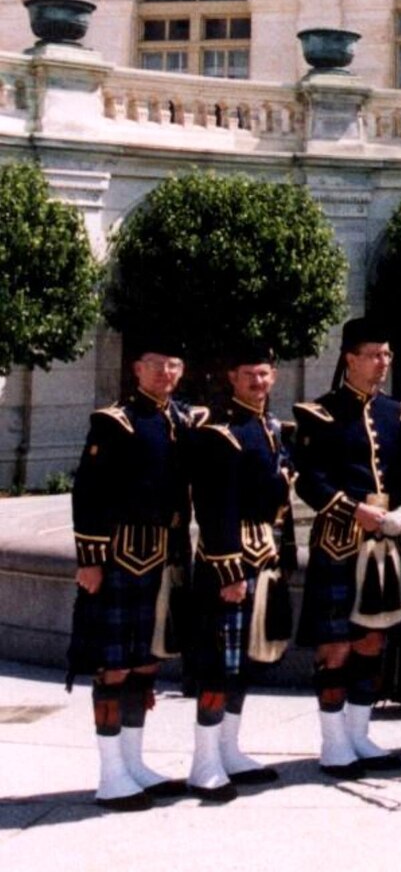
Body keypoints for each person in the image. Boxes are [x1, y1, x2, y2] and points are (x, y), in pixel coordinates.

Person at [293, 316, 401, 775]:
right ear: (350, 359)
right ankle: (333, 742)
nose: (383, 363)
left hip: (384, 546)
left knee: (372, 640)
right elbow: (309, 481)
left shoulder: (399, 414)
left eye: (387, 354)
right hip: (339, 543)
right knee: (336, 644)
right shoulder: (319, 414)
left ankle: (359, 734)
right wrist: (351, 510)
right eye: (374, 355)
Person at [70, 333, 205, 807]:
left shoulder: (183, 420)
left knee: (147, 661)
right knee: (114, 666)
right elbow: (87, 492)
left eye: (174, 364)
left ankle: (134, 763)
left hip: (167, 555)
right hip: (120, 556)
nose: (166, 373)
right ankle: (111, 774)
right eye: (157, 364)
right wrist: (90, 560)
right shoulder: (115, 422)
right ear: (138, 369)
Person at [187, 341, 296, 797]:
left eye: (264, 373)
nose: (258, 381)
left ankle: (229, 750)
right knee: (218, 666)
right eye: (249, 374)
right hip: (229, 564)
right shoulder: (220, 433)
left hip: (265, 558)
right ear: (232, 377)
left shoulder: (272, 428)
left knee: (245, 665)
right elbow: (215, 506)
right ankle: (203, 762)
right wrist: (229, 571)